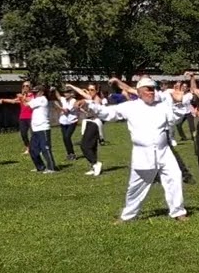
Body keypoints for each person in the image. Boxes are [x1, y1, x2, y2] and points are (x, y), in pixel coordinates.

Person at [84, 77, 188, 222]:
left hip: (164, 151)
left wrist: (178, 102)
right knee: (136, 186)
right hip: (142, 154)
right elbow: (109, 113)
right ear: (139, 91)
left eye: (153, 89)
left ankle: (178, 212)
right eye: (148, 89)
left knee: (174, 178)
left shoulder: (163, 106)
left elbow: (174, 119)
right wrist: (90, 106)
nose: (151, 92)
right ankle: (128, 215)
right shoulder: (130, 107)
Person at [65, 82, 105, 176]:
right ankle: (93, 166)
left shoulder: (97, 99)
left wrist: (82, 100)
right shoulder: (92, 98)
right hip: (90, 121)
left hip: (94, 123)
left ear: (97, 90)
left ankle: (95, 163)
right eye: (89, 89)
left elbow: (86, 98)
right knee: (92, 146)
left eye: (92, 90)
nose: (90, 92)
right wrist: (71, 86)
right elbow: (83, 94)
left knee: (84, 145)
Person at [27, 86, 58, 174]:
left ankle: (51, 168)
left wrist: (21, 97)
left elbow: (26, 104)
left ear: (42, 92)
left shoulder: (42, 99)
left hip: (43, 127)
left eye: (36, 92)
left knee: (45, 149)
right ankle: (40, 167)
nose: (34, 94)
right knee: (32, 149)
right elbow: (27, 103)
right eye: (34, 92)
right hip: (35, 128)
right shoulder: (35, 99)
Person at [57, 88, 80, 161]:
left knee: (67, 137)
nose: (65, 94)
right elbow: (58, 96)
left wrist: (59, 107)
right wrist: (55, 89)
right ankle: (69, 154)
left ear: (71, 94)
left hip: (72, 122)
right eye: (64, 93)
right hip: (63, 122)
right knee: (65, 138)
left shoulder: (73, 101)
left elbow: (66, 110)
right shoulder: (63, 99)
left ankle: (72, 154)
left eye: (67, 93)